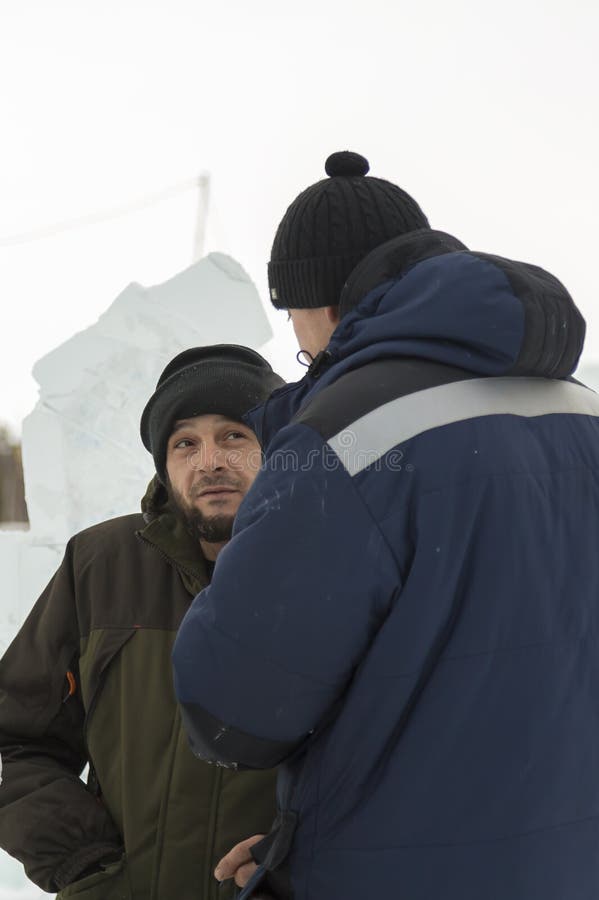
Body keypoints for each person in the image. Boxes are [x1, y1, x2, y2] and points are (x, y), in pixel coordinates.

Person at [172, 152, 599, 900]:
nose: (300, 347)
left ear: (324, 304)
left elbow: (234, 710)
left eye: (294, 318)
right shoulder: (580, 411)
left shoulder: (347, 436)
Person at [0, 344, 284, 900]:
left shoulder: (334, 572)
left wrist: (301, 860)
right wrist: (84, 863)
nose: (210, 461)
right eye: (185, 443)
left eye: (233, 435)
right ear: (165, 464)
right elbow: (18, 738)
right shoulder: (99, 565)